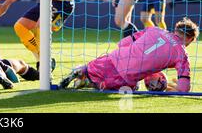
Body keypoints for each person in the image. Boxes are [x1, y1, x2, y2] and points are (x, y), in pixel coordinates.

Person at [59, 17, 199, 93]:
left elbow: (122, 43)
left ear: (176, 29)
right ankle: (89, 82)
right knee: (132, 88)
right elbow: (184, 88)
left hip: (111, 60)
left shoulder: (155, 29)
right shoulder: (182, 53)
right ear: (190, 39)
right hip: (125, 77)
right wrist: (169, 88)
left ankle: (83, 70)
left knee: (96, 67)